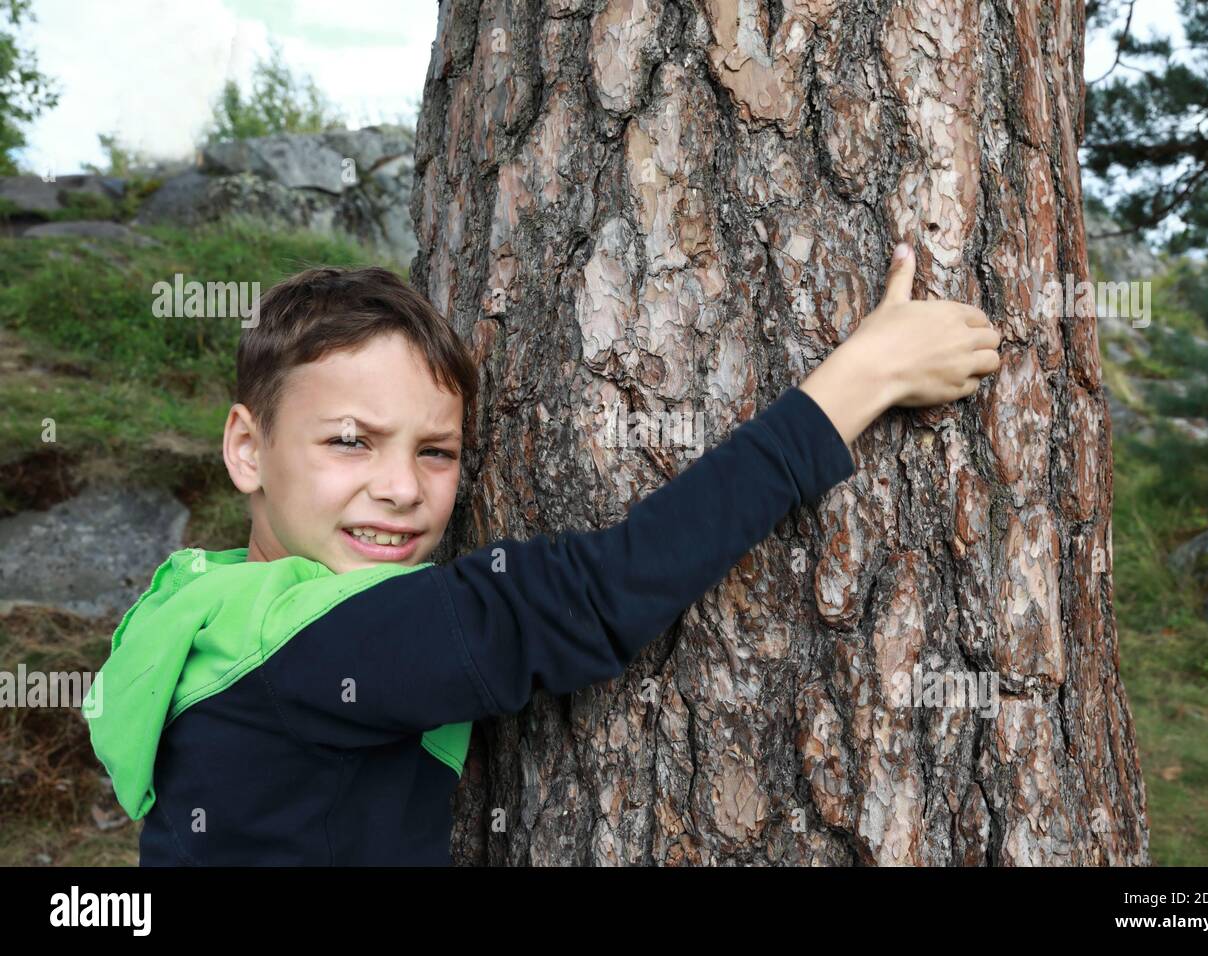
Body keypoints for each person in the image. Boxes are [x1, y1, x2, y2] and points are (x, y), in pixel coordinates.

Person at [83, 241, 1001, 864]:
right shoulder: (311, 634)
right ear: (247, 448)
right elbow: (601, 594)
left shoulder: (205, 604)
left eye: (435, 451)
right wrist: (863, 379)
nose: (401, 488)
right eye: (351, 441)